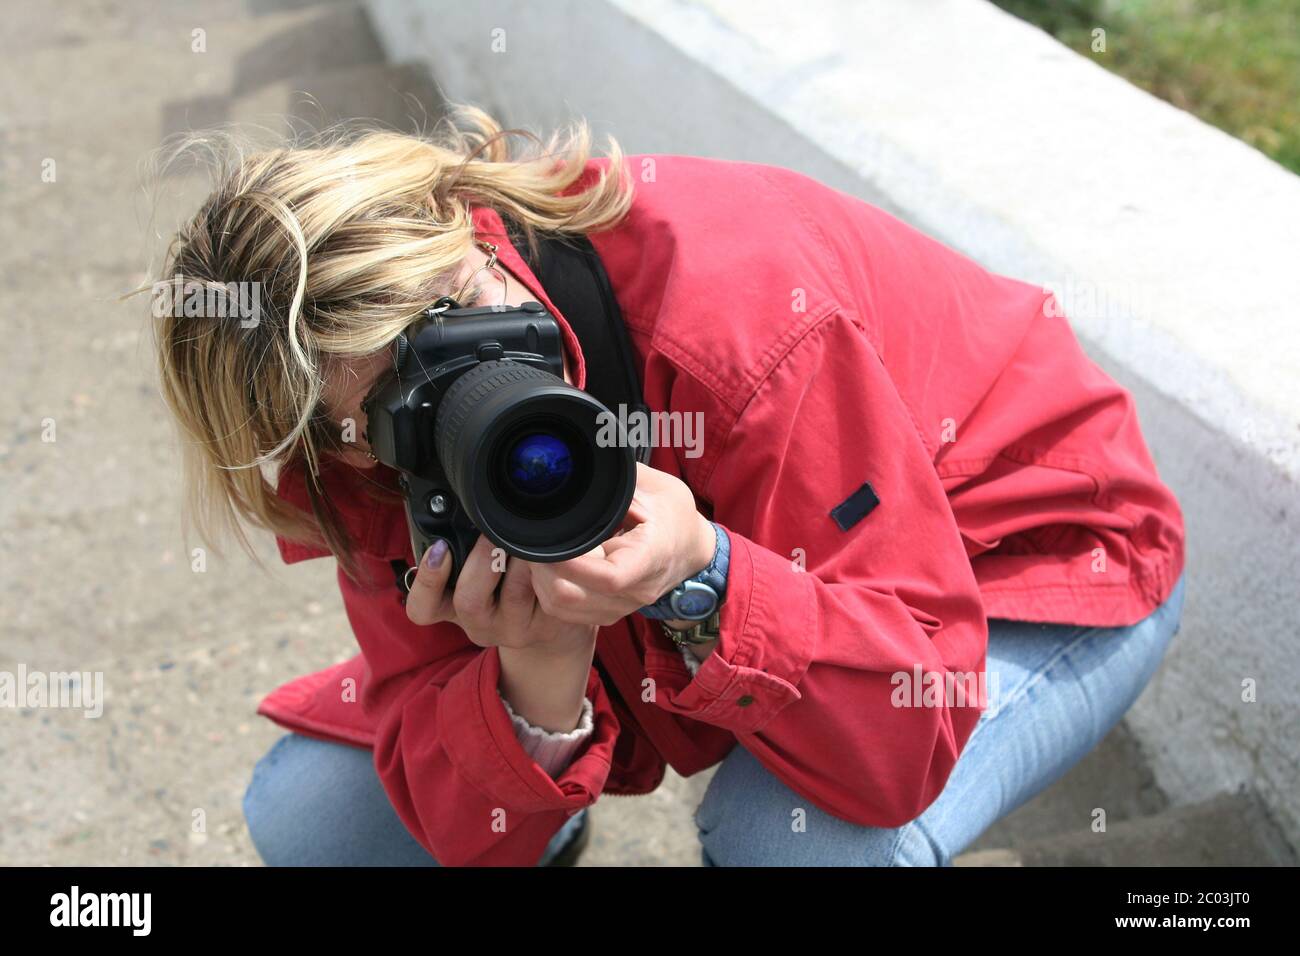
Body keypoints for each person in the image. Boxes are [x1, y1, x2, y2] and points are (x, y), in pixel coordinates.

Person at [151, 105, 1186, 867]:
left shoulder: (742, 316)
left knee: (788, 841)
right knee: (321, 814)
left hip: (1029, 555)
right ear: (329, 433)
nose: (466, 383)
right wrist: (533, 686)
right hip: (777, 618)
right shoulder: (350, 452)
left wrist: (705, 574)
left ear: (461, 218)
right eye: (400, 402)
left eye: (457, 312)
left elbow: (899, 748)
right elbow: (457, 818)